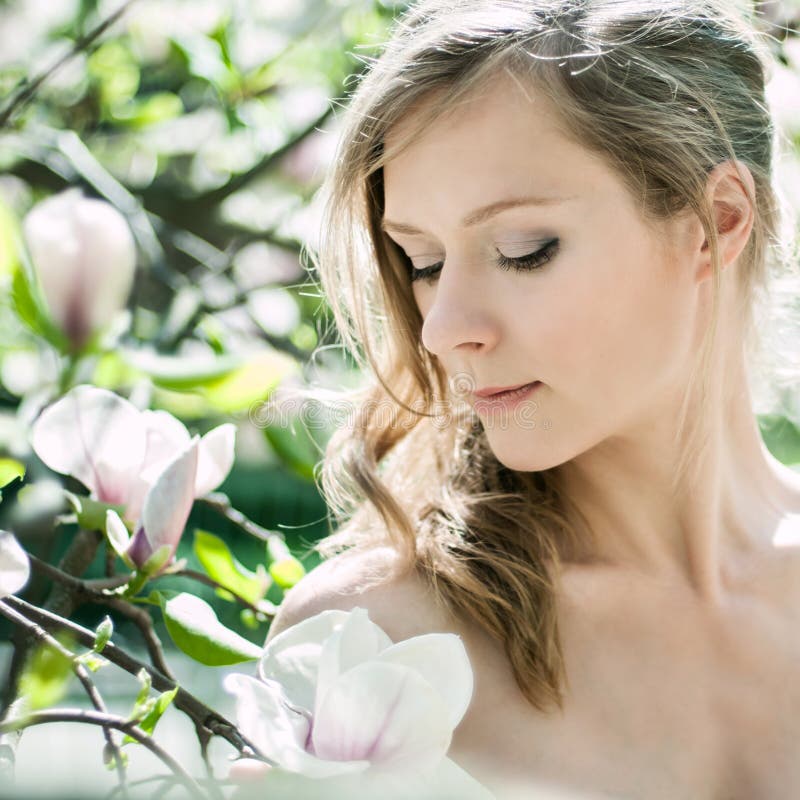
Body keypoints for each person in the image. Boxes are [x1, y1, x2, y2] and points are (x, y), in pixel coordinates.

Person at [264, 1, 800, 797]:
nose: (444, 330)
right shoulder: (371, 643)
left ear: (715, 221)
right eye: (422, 261)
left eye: (523, 252)